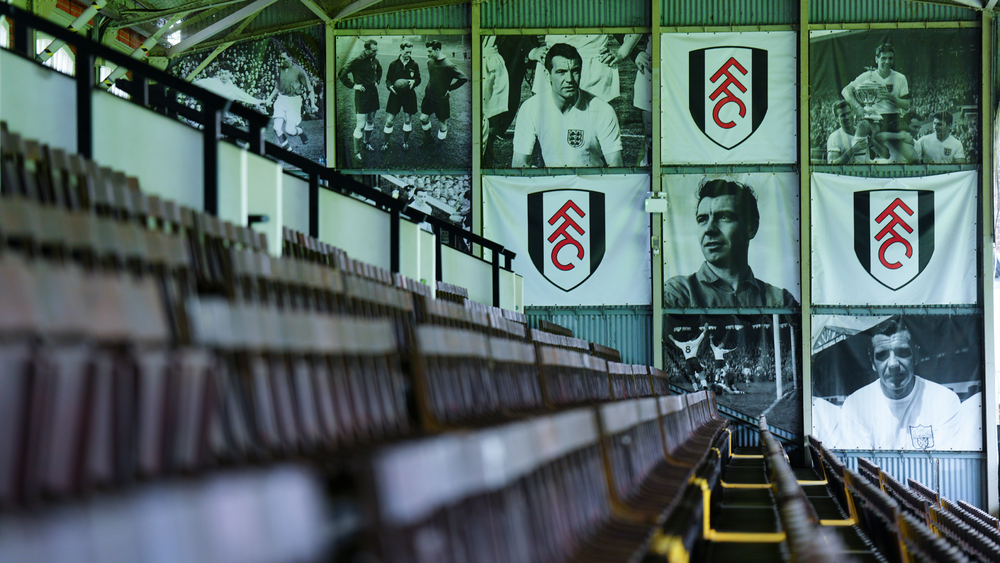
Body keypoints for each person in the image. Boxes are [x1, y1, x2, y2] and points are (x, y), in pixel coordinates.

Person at [664, 178, 798, 308]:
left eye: (724, 217)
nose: (709, 229)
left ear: (751, 228)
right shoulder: (677, 295)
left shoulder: (780, 301)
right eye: (702, 219)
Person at [837, 320, 963, 450]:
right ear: (872, 362)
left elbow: (946, 465)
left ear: (916, 355)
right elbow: (861, 466)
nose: (893, 364)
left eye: (902, 352)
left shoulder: (944, 400)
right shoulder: (856, 405)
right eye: (882, 355)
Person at [511, 43, 623, 167]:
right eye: (561, 72)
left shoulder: (602, 110)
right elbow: (520, 163)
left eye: (575, 71)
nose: (569, 79)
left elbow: (615, 164)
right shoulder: (531, 108)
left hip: (589, 183)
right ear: (547, 75)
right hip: (551, 184)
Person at [842, 43, 910, 133]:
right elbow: (846, 90)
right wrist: (858, 107)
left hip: (893, 118)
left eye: (890, 58)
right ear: (876, 59)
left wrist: (890, 97)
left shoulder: (900, 77)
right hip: (872, 117)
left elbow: (906, 105)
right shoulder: (868, 76)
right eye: (883, 58)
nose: (887, 62)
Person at [337, 39, 383, 162]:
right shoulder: (357, 61)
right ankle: (356, 152)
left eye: (376, 50)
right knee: (361, 125)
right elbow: (342, 73)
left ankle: (366, 143)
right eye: (373, 51)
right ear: (366, 50)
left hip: (373, 93)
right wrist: (353, 85)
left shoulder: (374, 59)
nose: (376, 52)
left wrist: (377, 80)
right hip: (362, 94)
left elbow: (379, 69)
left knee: (371, 120)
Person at [419, 40, 468, 142]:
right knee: (423, 118)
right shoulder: (430, 61)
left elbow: (463, 78)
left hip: (441, 100)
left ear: (437, 50)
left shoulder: (448, 66)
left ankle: (439, 147)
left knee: (442, 125)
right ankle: (428, 140)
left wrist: (449, 88)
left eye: (430, 51)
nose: (428, 54)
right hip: (428, 97)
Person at [265, 48, 315, 150]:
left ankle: (300, 132)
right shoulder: (279, 69)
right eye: (280, 58)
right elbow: (278, 87)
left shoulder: (299, 70)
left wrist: (313, 104)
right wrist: (269, 98)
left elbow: (310, 89)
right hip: (281, 100)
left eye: (284, 58)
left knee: (290, 131)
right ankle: (287, 149)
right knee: (276, 128)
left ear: (291, 58)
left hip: (294, 101)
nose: (281, 61)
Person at [382, 41, 421, 151]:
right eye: (406, 52)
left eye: (410, 52)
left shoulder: (414, 64)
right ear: (401, 50)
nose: (408, 54)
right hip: (395, 95)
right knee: (390, 120)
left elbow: (418, 79)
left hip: (409, 95)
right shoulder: (393, 64)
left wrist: (414, 82)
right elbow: (388, 79)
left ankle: (405, 142)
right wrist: (390, 87)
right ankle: (385, 143)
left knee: (407, 120)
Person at [667, 324, 709, 390]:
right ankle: (705, 387)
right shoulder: (695, 342)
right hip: (694, 359)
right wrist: (706, 328)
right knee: (701, 374)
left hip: (688, 361)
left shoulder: (683, 344)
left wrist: (671, 337)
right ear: (693, 338)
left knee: (692, 377)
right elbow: (702, 336)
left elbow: (676, 342)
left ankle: (696, 390)